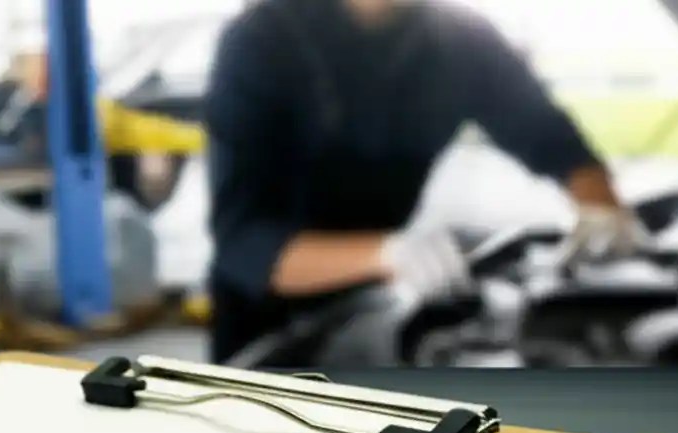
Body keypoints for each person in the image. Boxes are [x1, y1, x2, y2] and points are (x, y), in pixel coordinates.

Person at [204, 0, 650, 363]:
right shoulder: (259, 41)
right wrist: (386, 253)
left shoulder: (461, 38)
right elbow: (245, 244)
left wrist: (603, 210)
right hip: (267, 330)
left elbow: (551, 137)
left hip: (383, 304)